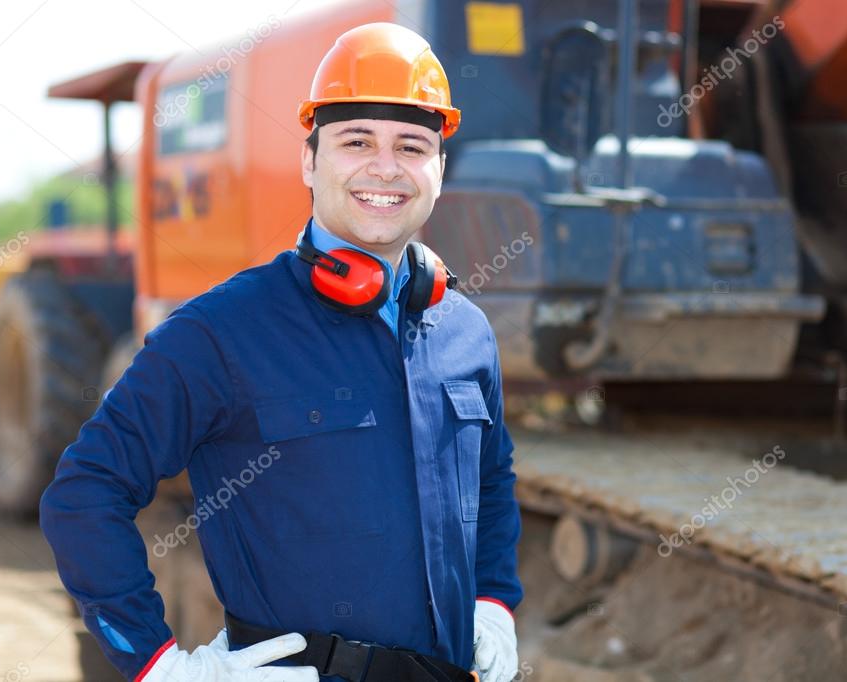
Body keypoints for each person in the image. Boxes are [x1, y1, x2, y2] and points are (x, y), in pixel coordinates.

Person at [39, 22, 522, 682]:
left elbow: (492, 483)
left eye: (411, 145)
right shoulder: (223, 330)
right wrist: (160, 666)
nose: (385, 167)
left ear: (439, 167)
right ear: (308, 160)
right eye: (356, 141)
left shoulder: (463, 331)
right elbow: (83, 494)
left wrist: (494, 602)